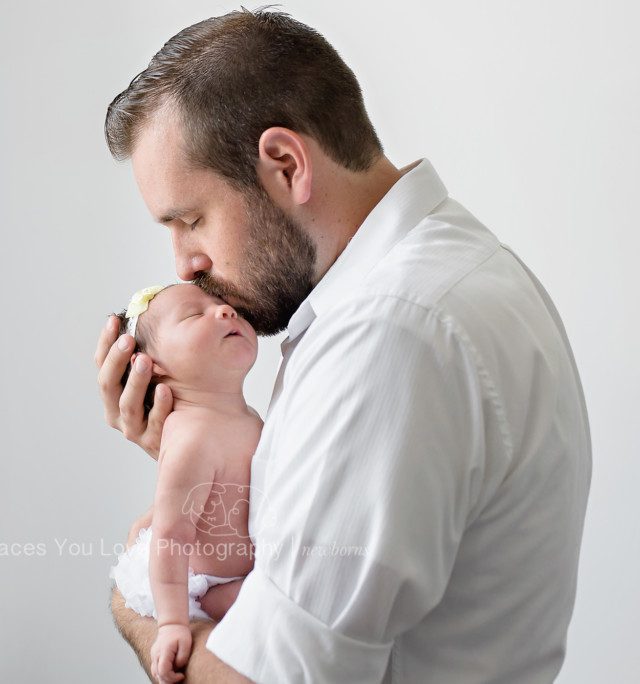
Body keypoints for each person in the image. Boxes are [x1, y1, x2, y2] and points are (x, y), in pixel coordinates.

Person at [94, 8, 591, 684]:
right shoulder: (449, 269)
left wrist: (135, 592)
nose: (183, 263)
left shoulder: (387, 336)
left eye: (191, 219)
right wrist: (204, 461)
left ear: (285, 164)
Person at [104, 282, 264, 682]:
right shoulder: (192, 435)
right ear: (151, 364)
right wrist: (174, 623)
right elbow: (172, 538)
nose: (225, 312)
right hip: (203, 583)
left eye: (225, 305)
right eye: (195, 315)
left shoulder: (244, 415)